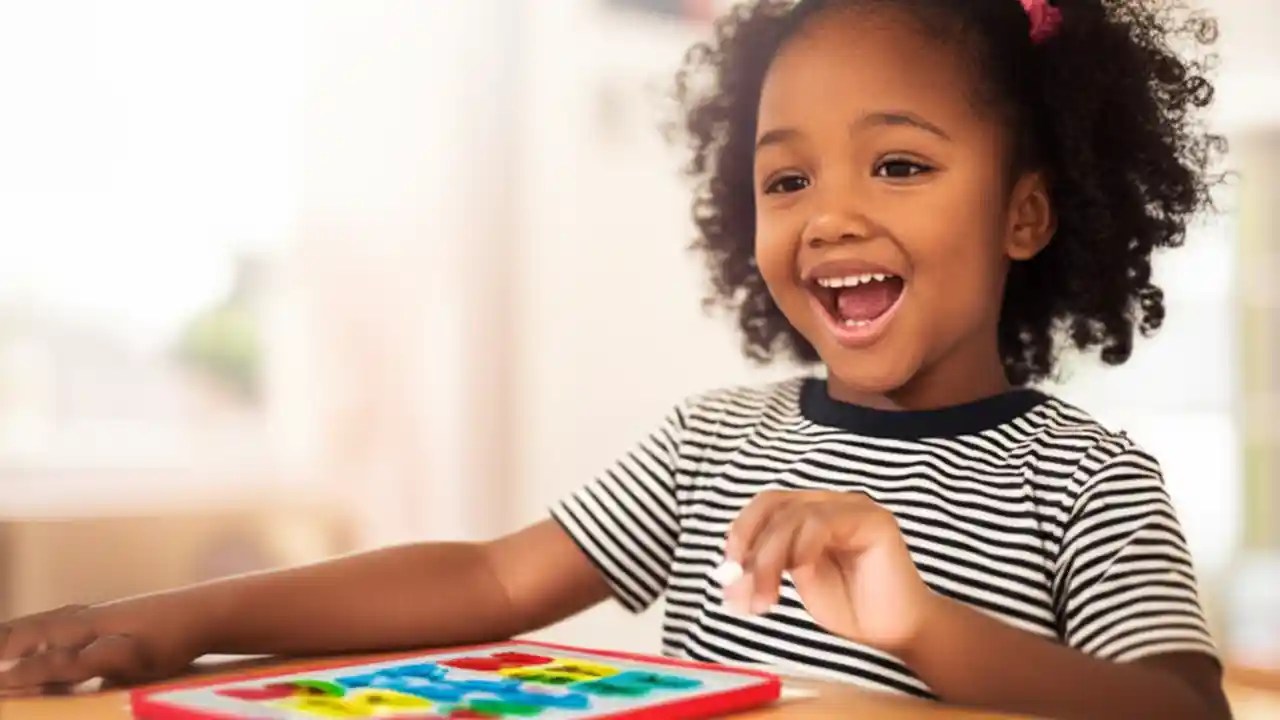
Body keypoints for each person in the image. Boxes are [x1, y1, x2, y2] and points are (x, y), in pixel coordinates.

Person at [0, 0, 1231, 717]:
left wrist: (920, 630)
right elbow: (489, 582)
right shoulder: (717, 442)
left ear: (1023, 214)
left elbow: (1177, 714)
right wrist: (170, 622)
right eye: (785, 177)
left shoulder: (1084, 480)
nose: (830, 215)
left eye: (898, 165)